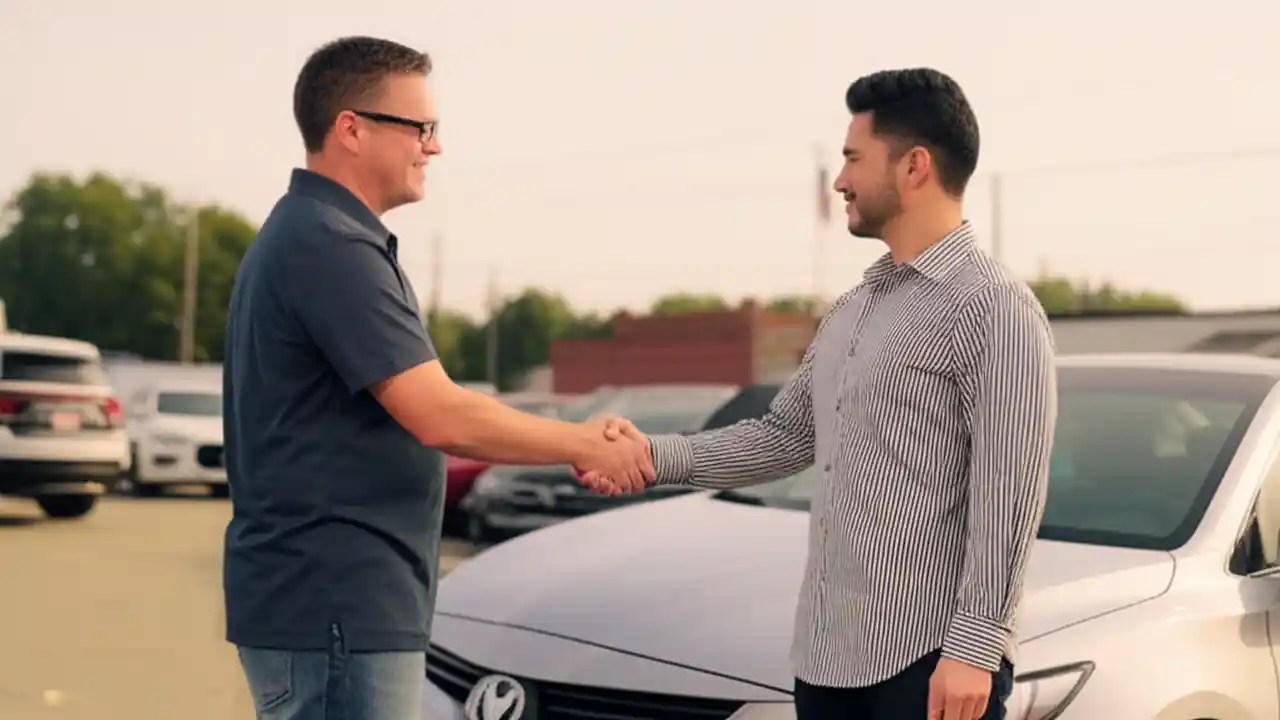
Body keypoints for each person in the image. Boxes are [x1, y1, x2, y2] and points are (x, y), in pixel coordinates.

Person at [589, 68, 1057, 720]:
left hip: (928, 665)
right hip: (827, 661)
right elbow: (783, 435)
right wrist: (651, 456)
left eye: (852, 160)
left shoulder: (994, 308)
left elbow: (1008, 492)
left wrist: (976, 650)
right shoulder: (853, 310)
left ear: (914, 167)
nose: (840, 181)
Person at [221, 36, 651, 720]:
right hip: (337, 605)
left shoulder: (314, 234)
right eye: (420, 127)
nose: (435, 146)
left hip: (334, 606)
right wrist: (583, 443)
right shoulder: (330, 244)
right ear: (351, 130)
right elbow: (439, 414)